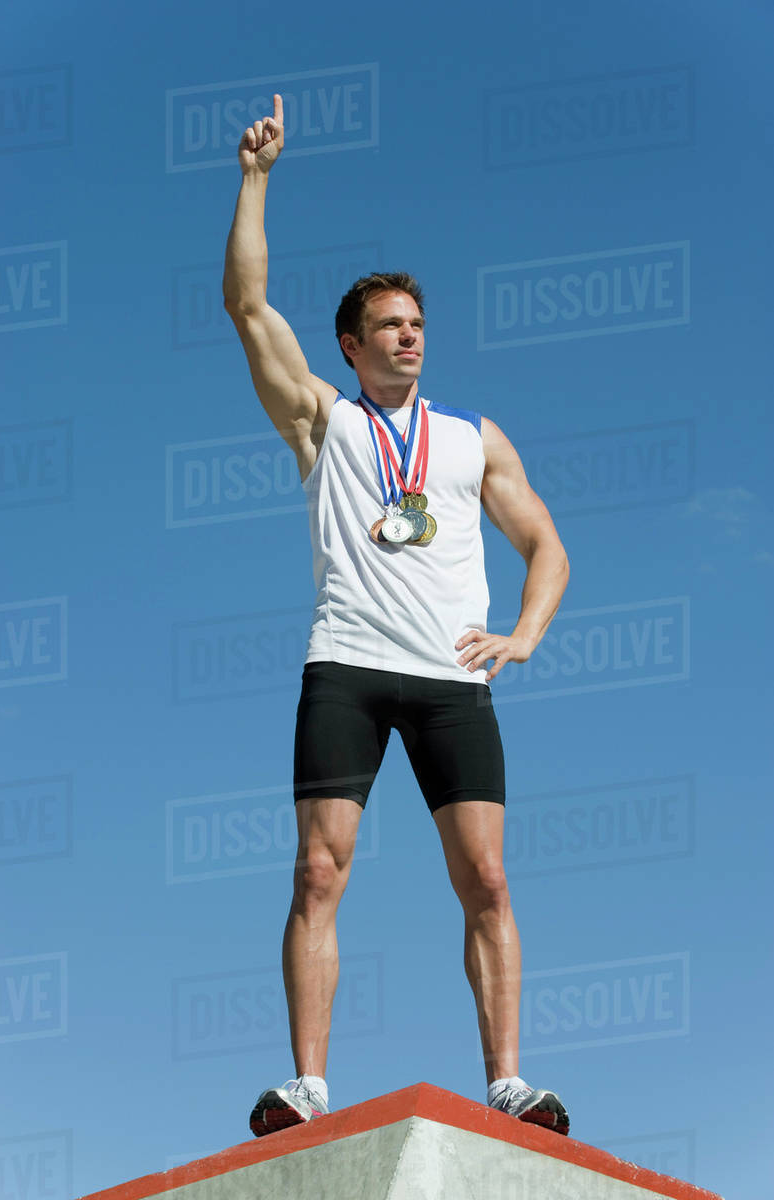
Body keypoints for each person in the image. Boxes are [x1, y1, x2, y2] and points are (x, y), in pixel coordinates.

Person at [222, 95, 571, 1140]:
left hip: (455, 678)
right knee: (319, 868)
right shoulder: (321, 419)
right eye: (389, 327)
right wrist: (257, 178)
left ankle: (509, 1082)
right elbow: (247, 305)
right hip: (349, 664)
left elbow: (547, 543)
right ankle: (308, 1087)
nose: (409, 339)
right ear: (351, 342)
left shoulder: (471, 437)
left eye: (417, 326)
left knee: (490, 879)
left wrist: (525, 633)